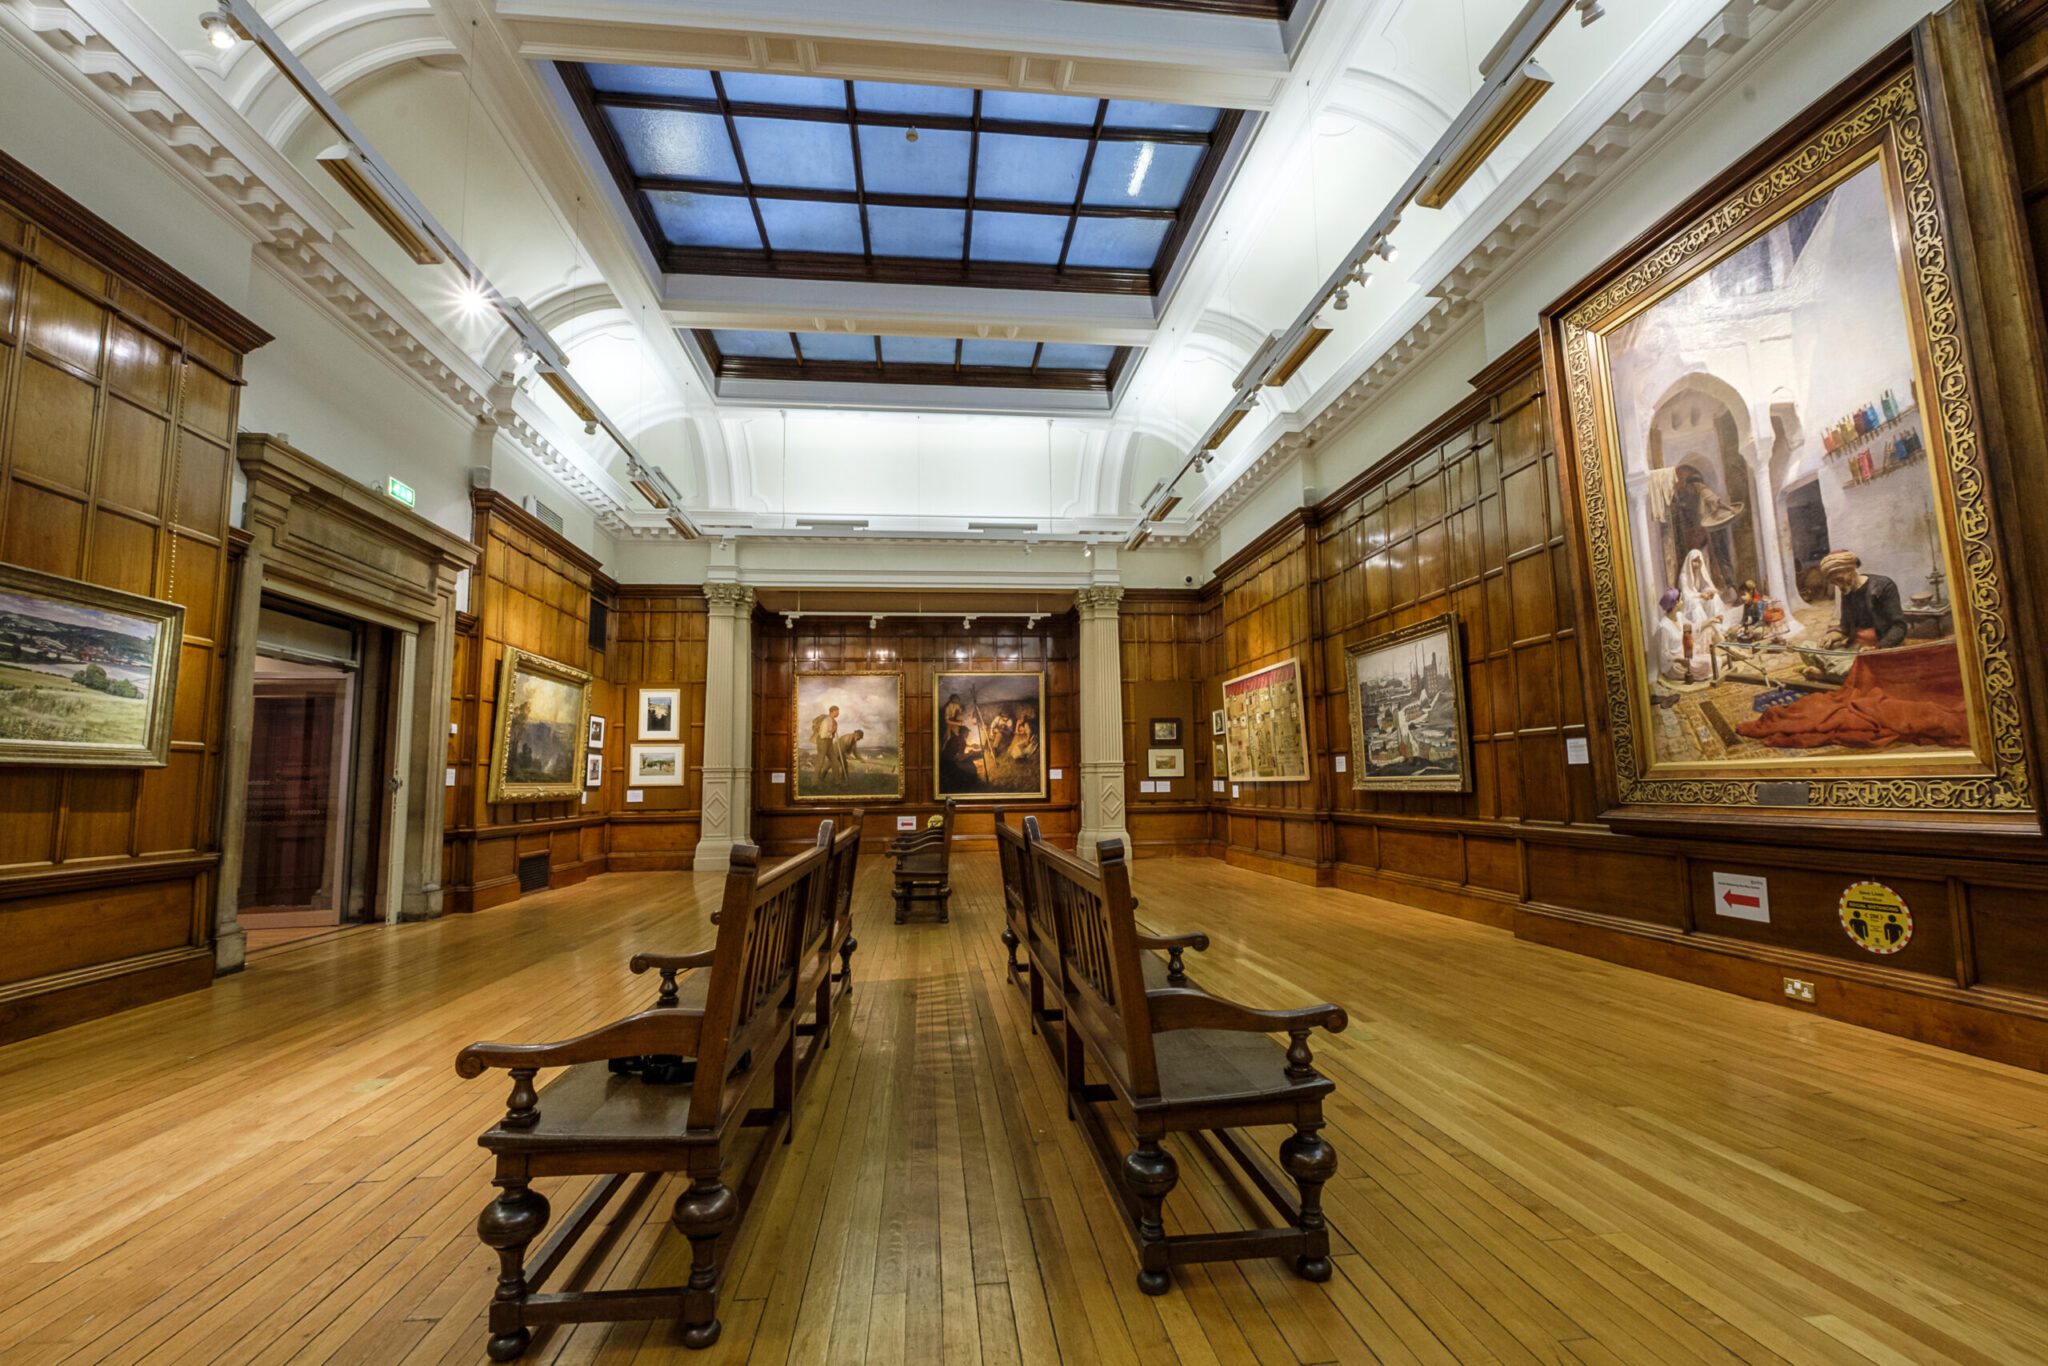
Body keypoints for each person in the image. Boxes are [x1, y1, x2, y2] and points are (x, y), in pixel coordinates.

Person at [1652, 587, 1691, 683]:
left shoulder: (1679, 616)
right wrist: (1680, 660)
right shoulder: (1664, 627)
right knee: (1701, 664)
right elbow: (1664, 655)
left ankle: (1724, 659)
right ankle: (1724, 660)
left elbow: (1692, 627)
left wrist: (1711, 621)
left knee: (1700, 658)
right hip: (1672, 665)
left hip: (1683, 657)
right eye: (1681, 600)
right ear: (1675, 604)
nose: (1682, 602)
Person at [810, 705, 840, 782]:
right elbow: (823, 735)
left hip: (829, 742)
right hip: (823, 742)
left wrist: (833, 731)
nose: (838, 713)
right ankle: (814, 783)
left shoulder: (833, 721)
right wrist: (832, 731)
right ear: (833, 712)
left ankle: (837, 782)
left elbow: (829, 735)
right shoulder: (826, 721)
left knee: (835, 762)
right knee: (820, 762)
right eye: (837, 711)